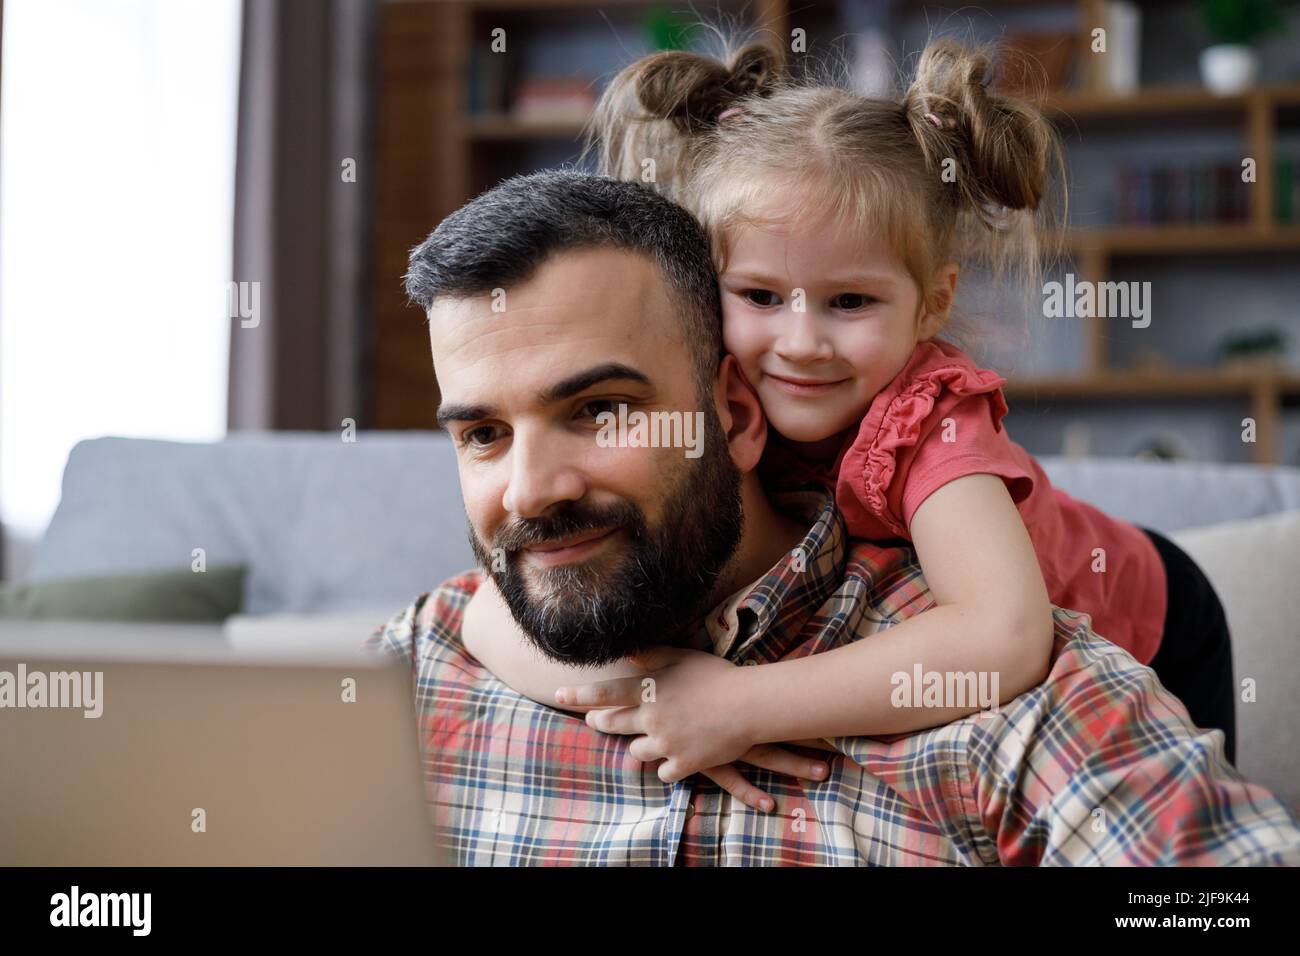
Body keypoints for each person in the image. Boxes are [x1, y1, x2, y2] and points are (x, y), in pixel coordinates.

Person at [365, 166, 1300, 865]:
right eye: (483, 433)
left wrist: (740, 702)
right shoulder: (417, 665)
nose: (529, 491)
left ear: (734, 416)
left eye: (601, 410)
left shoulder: (998, 692)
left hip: (1152, 600)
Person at [461, 37, 1237, 799]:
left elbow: (1002, 638)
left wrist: (736, 705)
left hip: (1160, 616)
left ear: (932, 303)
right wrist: (641, 692)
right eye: (761, 296)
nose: (801, 344)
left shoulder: (932, 420)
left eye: (851, 302)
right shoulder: (710, 399)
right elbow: (485, 615)